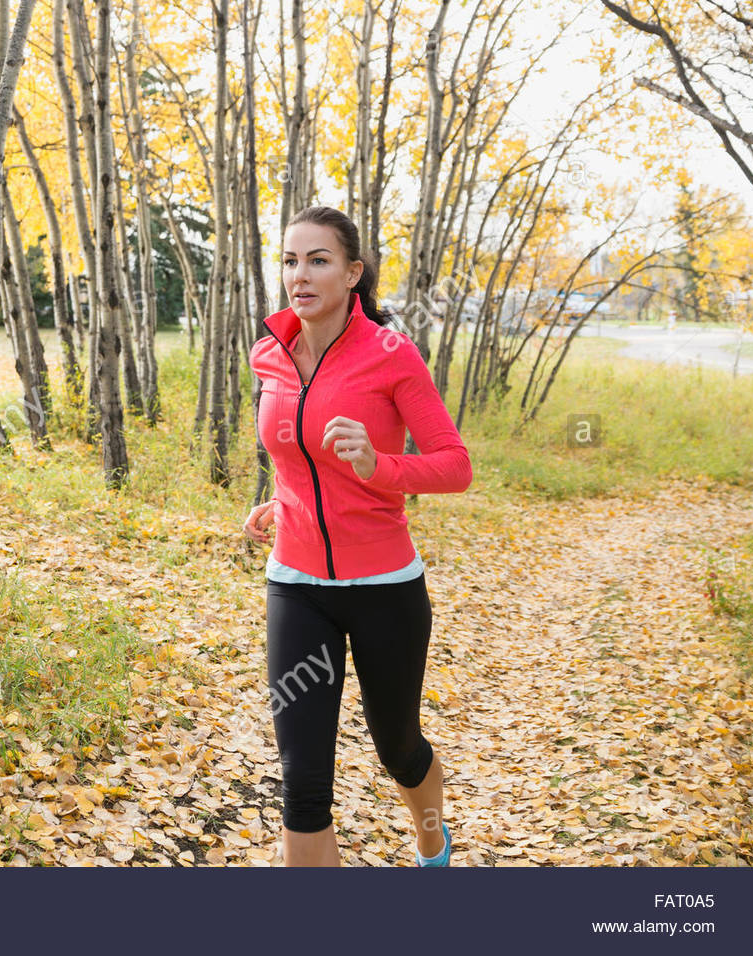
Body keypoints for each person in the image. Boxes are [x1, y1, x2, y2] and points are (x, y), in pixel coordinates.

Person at [244, 204, 473, 867]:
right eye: (290, 260)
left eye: (318, 260)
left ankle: (431, 839)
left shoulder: (392, 356)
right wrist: (282, 504)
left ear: (352, 274)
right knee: (304, 781)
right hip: (297, 585)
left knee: (397, 747)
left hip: (384, 589)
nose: (300, 274)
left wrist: (380, 467)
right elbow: (299, 458)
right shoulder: (270, 354)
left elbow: (454, 466)